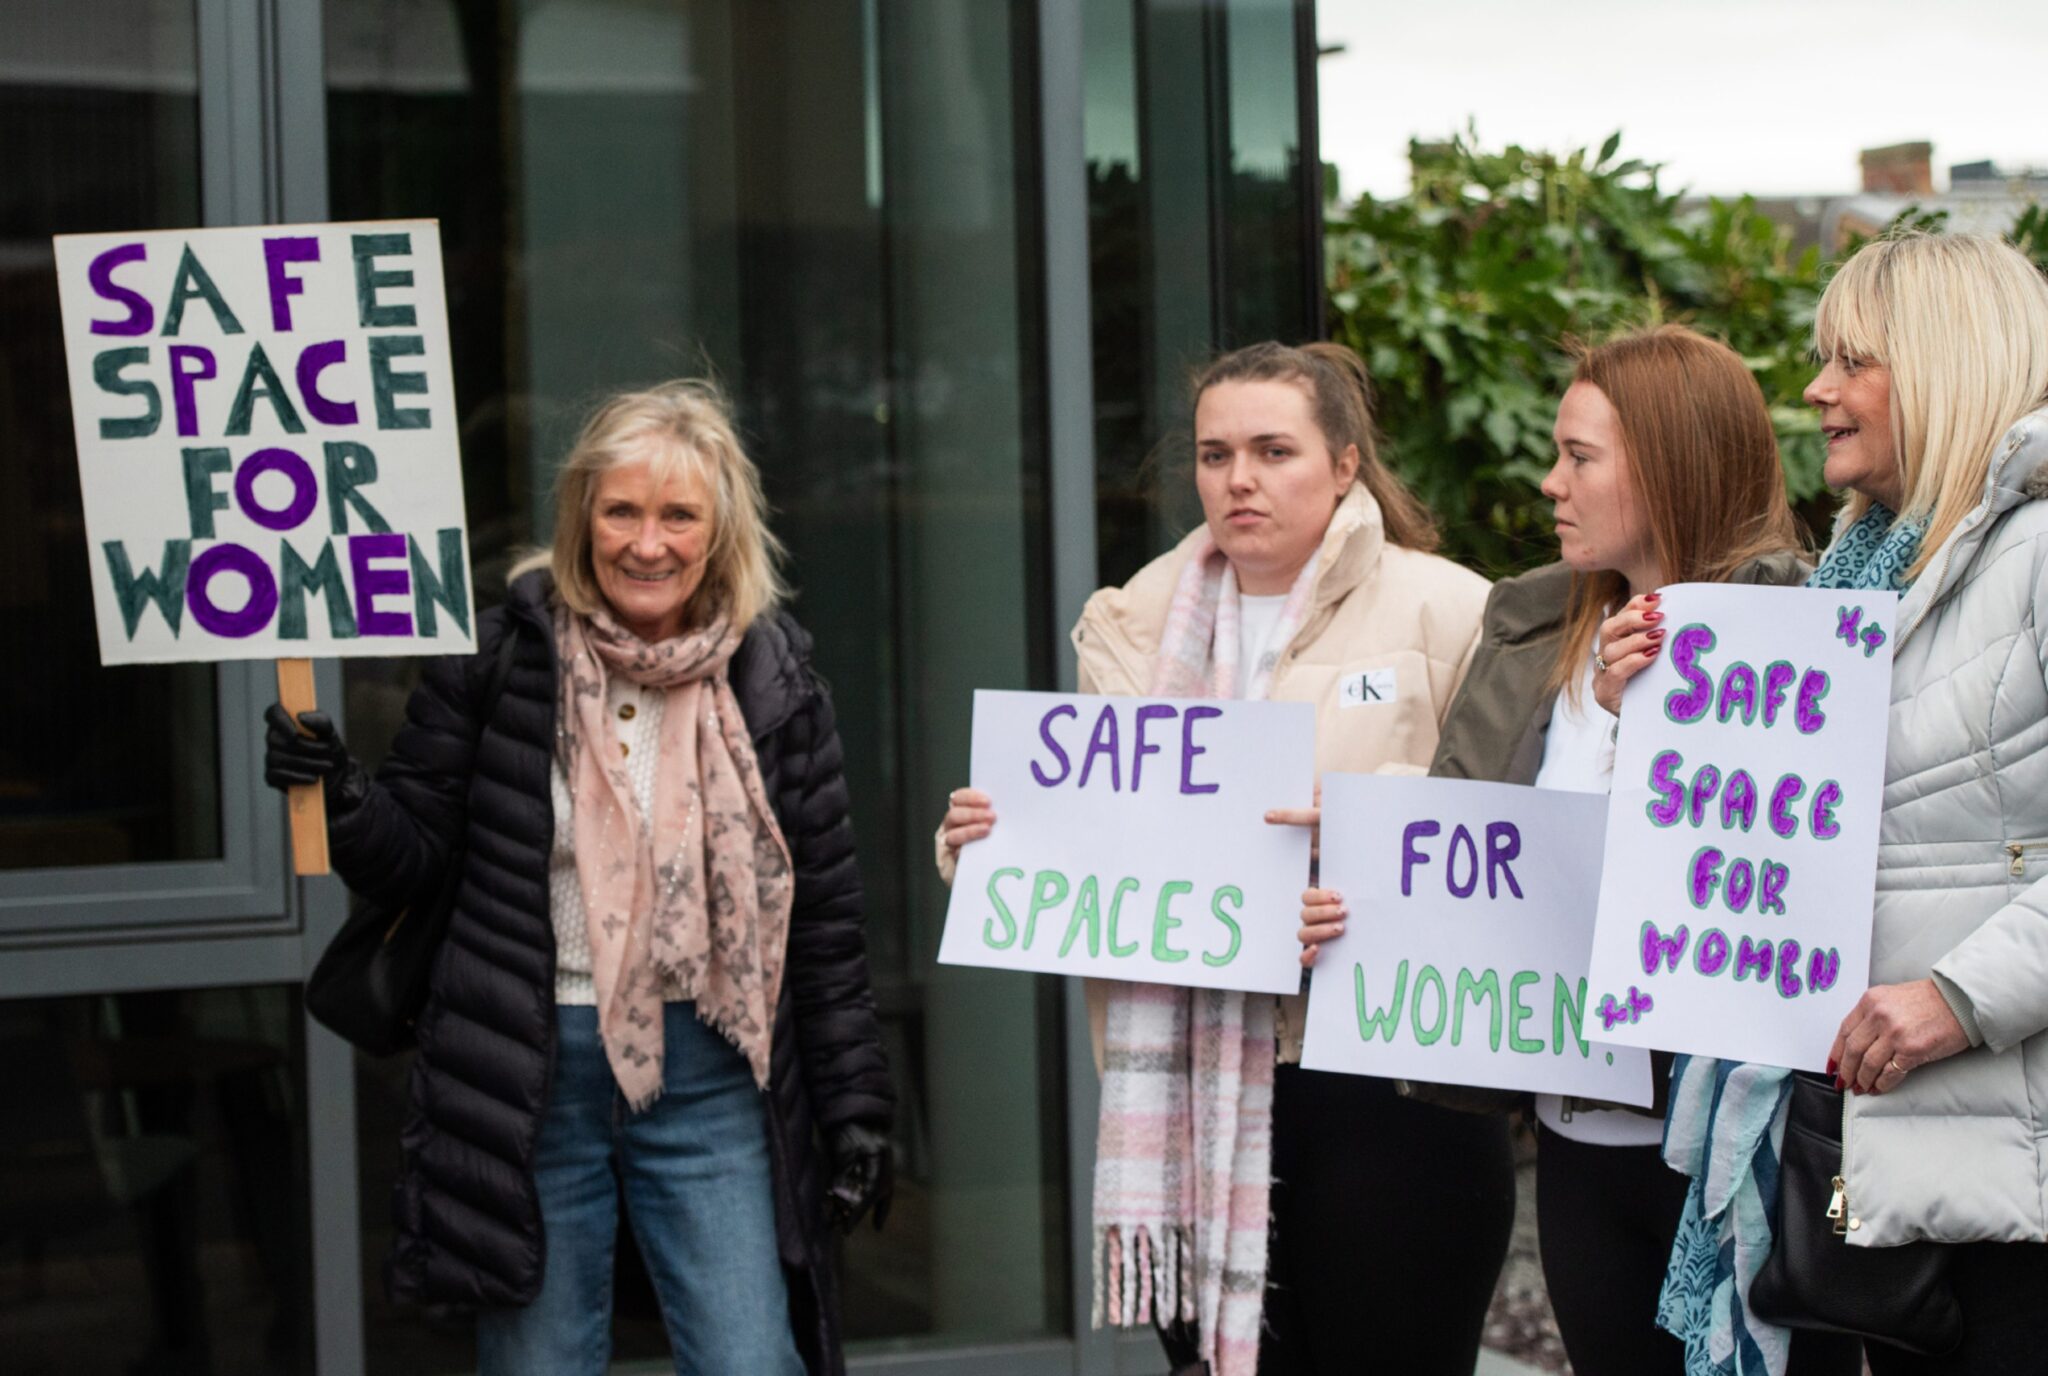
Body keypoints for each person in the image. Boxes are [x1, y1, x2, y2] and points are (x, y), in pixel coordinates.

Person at [263, 380, 895, 1376]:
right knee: (538, 1360)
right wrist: (340, 789)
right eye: (621, 511)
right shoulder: (499, 660)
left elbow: (821, 918)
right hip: (527, 1066)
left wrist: (857, 1101)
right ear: (581, 518)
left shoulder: (775, 679)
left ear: (719, 527)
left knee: (748, 1358)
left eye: (678, 514)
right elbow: (412, 859)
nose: (648, 543)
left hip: (710, 1068)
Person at [1302, 325, 1859, 1375]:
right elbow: (1491, 857)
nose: (1550, 481)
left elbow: (1756, 881)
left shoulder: (1800, 631)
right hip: (1574, 1134)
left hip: (1738, 1143)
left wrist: (1639, 726)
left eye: (1579, 456)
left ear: (1667, 462)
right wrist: (1360, 893)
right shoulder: (1530, 632)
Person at [940, 341, 1506, 1376]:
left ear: (1343, 463)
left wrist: (1364, 848)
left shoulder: (1451, 609)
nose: (1236, 478)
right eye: (1213, 453)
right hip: (1191, 1102)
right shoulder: (1131, 622)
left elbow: (1511, 839)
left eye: (1271, 449)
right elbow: (1105, 840)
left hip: (1386, 1089)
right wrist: (990, 842)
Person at [1649, 230, 2048, 1376]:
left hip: (2014, 1190)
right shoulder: (1868, 565)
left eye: (1850, 360)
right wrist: (1666, 715)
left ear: (1942, 362)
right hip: (1913, 1170)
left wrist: (1957, 996)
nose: (1815, 390)